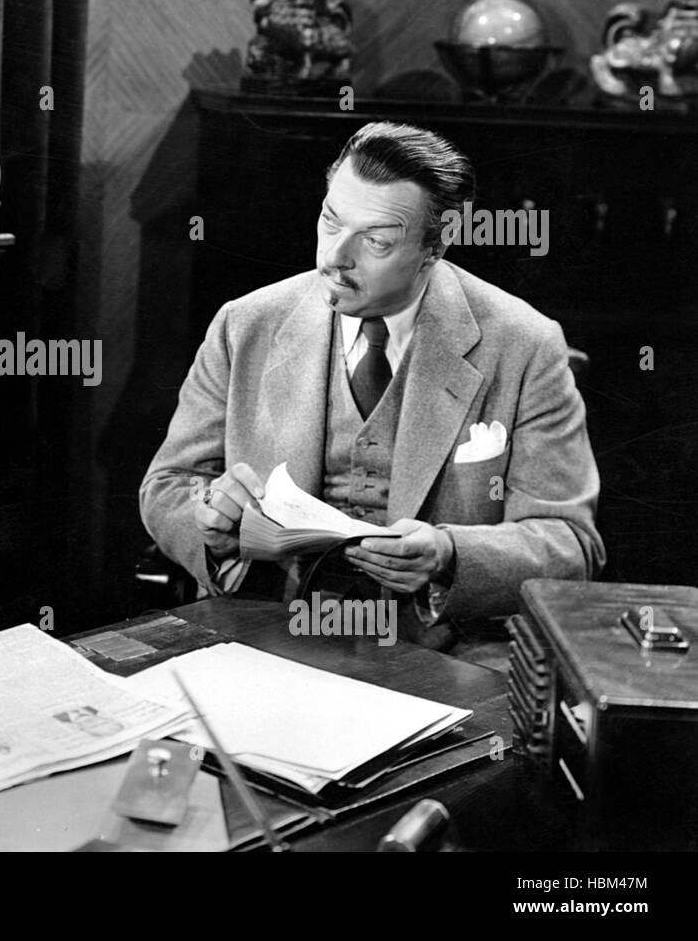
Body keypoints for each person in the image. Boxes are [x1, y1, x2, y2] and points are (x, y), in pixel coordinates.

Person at [139, 121, 604, 648]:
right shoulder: (245, 324)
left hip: (446, 654)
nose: (336, 256)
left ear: (437, 245)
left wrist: (449, 555)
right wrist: (212, 523)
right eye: (330, 221)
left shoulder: (524, 344)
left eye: (376, 241)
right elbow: (169, 484)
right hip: (267, 635)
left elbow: (570, 546)